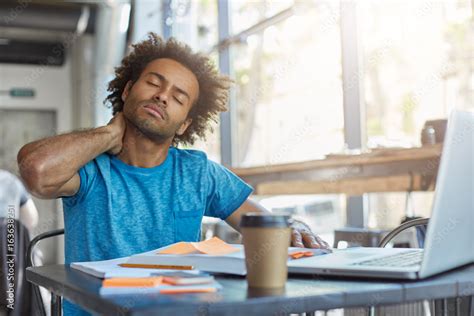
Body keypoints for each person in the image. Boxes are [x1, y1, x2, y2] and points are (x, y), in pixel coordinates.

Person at [17, 33, 329, 315]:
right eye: (154, 83)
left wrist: (295, 225)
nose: (163, 96)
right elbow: (36, 170)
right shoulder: (91, 168)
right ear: (127, 90)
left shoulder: (197, 171)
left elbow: (263, 224)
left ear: (183, 125)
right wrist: (108, 135)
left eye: (178, 97)